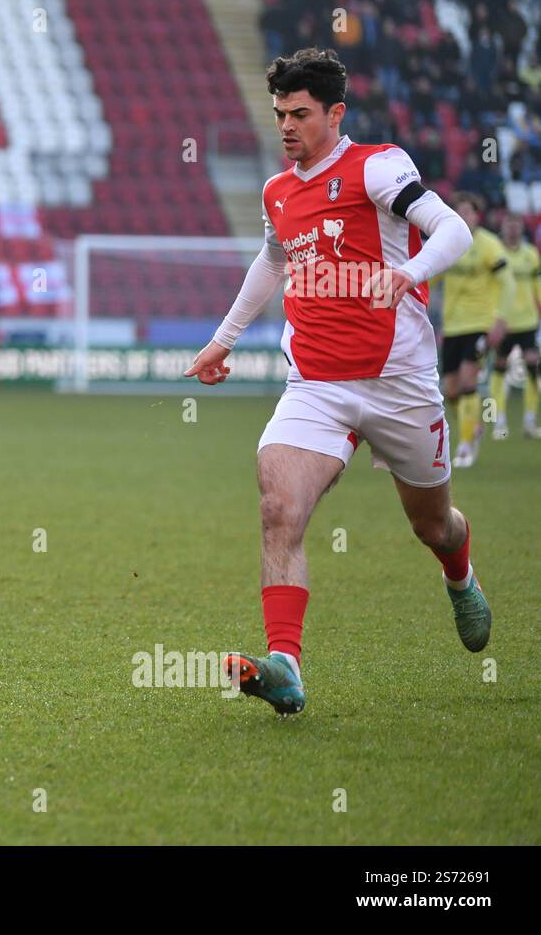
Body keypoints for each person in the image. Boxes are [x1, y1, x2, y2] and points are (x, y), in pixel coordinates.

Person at [184, 48, 488, 717]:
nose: (286, 126)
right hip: (317, 384)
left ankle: (459, 571)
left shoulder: (378, 166)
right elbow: (272, 258)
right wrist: (222, 339)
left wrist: (409, 272)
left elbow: (453, 228)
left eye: (300, 114)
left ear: (335, 112)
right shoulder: (277, 191)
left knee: (432, 524)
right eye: (279, 114)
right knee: (278, 507)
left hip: (399, 382)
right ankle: (285, 664)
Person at [437, 191, 512, 466]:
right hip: (453, 327)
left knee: (469, 381)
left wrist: (500, 319)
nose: (463, 216)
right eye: (458, 211)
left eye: (468, 212)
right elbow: (430, 279)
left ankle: (466, 445)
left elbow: (508, 283)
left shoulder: (489, 245)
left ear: (476, 215)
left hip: (479, 324)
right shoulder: (447, 244)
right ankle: (475, 426)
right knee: (452, 390)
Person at [489, 212, 541, 438]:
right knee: (499, 368)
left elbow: (537, 284)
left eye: (516, 225)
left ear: (521, 228)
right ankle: (498, 421)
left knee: (532, 367)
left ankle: (529, 420)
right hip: (503, 321)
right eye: (509, 224)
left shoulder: (530, 254)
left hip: (527, 320)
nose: (512, 229)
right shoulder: (495, 252)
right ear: (503, 227)